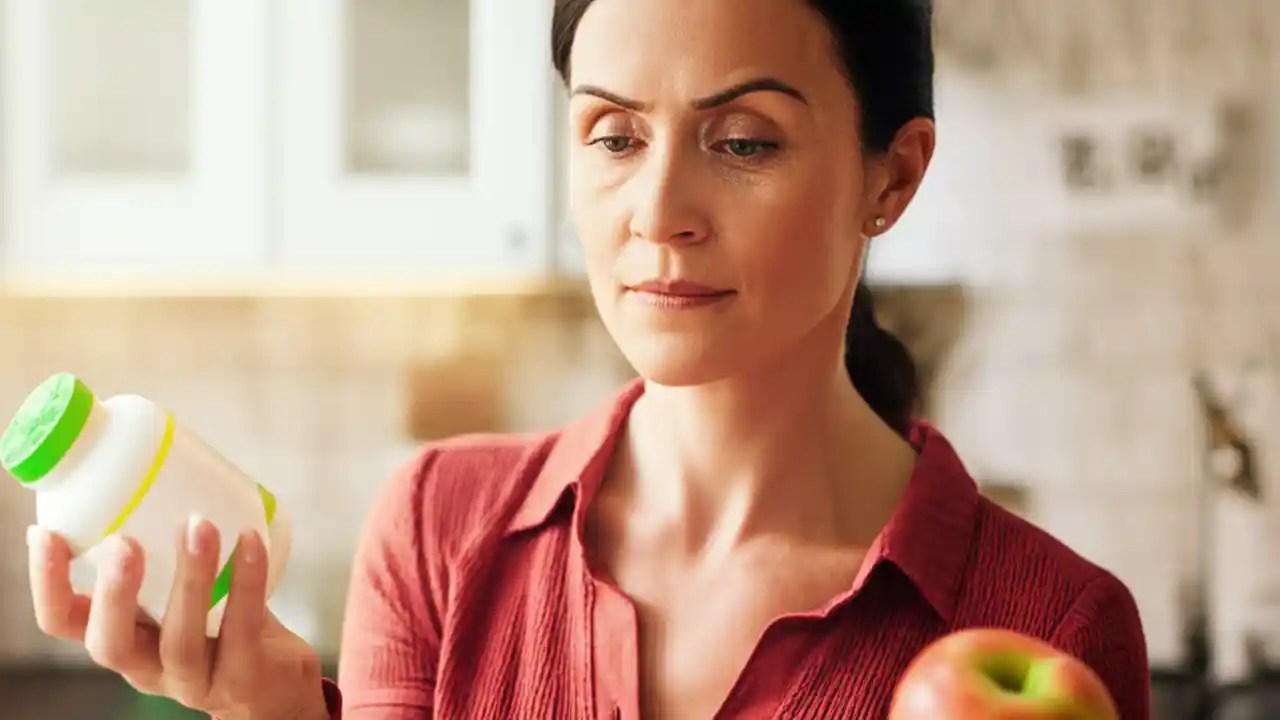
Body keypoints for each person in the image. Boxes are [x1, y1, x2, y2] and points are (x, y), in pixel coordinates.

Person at [25, 0, 1151, 717]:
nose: (656, 211)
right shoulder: (435, 528)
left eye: (742, 142)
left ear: (890, 178)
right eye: (612, 137)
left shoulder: (1049, 625)